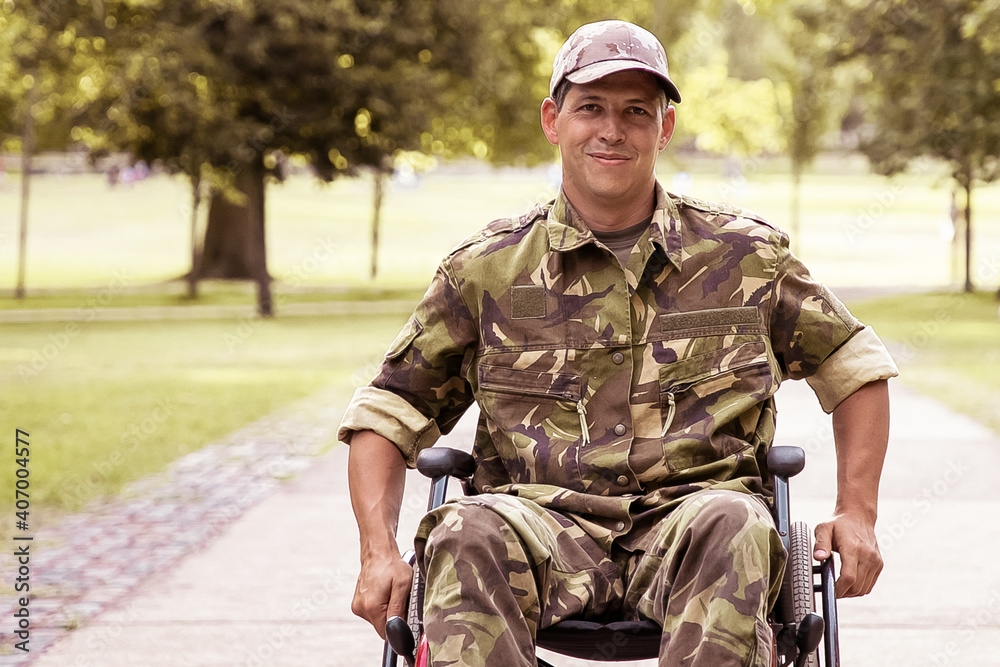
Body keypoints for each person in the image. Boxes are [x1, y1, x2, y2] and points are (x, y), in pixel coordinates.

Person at [341, 19, 897, 667]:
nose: (612, 129)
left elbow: (853, 366)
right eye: (591, 108)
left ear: (664, 129)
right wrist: (377, 551)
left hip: (695, 528)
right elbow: (386, 412)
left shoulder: (745, 258)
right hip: (534, 530)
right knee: (464, 529)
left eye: (636, 111)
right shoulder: (486, 270)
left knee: (735, 519)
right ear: (554, 120)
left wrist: (857, 513)